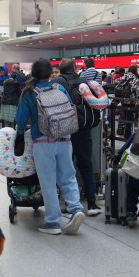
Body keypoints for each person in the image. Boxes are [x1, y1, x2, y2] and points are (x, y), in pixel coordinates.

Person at [16, 58, 86, 235]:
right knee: (68, 177)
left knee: (48, 183)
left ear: (33, 73)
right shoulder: (59, 88)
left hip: (42, 141)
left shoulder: (29, 92)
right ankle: (75, 209)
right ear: (50, 73)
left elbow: (20, 120)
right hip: (65, 139)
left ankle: (53, 222)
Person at [53, 59, 102, 217]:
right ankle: (92, 203)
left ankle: (69, 203)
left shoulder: (56, 82)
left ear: (60, 70)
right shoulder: (84, 82)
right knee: (86, 164)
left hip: (63, 130)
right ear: (75, 68)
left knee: (65, 168)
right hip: (82, 128)